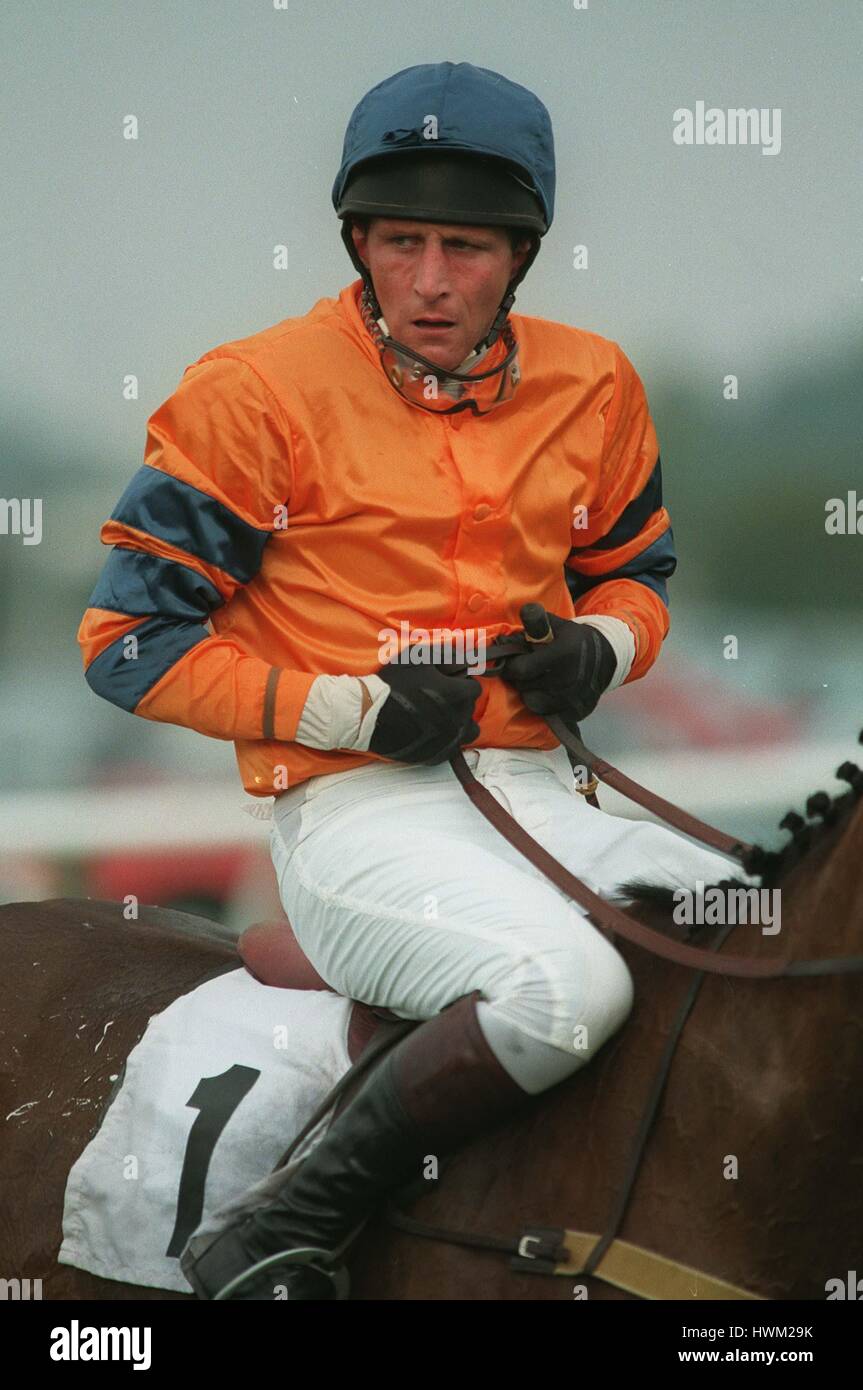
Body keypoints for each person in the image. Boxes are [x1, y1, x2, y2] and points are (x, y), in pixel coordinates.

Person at [77, 61, 737, 1300]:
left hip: (544, 790)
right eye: (402, 243)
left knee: (747, 932)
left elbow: (634, 578)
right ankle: (279, 1223)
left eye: (468, 249)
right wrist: (346, 707)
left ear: (524, 254)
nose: (432, 284)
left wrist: (601, 648)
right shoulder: (251, 393)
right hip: (353, 815)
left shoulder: (593, 383)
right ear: (358, 242)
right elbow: (127, 644)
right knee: (568, 983)